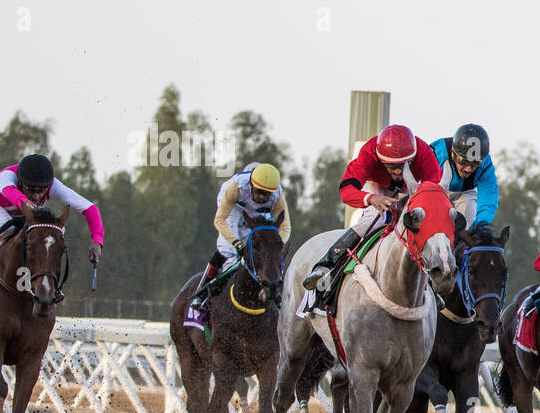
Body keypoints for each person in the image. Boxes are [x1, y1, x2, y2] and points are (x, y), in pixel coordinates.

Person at [301, 124, 442, 297]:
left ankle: (430, 285)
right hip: (376, 185)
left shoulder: (425, 153)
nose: (398, 171)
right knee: (378, 216)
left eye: (403, 165)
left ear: (413, 157)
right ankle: (326, 265)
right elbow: (346, 191)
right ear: (380, 159)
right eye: (392, 166)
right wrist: (371, 199)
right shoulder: (368, 153)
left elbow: (434, 192)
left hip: (411, 187)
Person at [0, 154, 104, 301]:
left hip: (21, 213)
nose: (36, 196)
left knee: (57, 232)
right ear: (21, 182)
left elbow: (90, 208)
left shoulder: (53, 185)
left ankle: (50, 283)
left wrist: (97, 241)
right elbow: (10, 192)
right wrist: (25, 201)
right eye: (30, 190)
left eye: (41, 191)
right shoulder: (6, 176)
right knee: (7, 227)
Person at [184, 162, 290, 327]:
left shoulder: (277, 196)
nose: (261, 197)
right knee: (227, 251)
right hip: (233, 208)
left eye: (266, 194)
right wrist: (237, 244)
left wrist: (272, 248)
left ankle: (278, 296)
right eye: (259, 192)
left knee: (266, 253)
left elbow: (285, 227)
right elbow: (219, 221)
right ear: (251, 185)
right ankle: (201, 295)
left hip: (257, 214)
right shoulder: (236, 187)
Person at [431, 123, 498, 228]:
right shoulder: (436, 153)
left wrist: (481, 224)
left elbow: (488, 199)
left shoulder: (485, 163)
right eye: (464, 161)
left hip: (465, 193)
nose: (469, 168)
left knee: (470, 229)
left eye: (476, 163)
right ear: (453, 153)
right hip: (435, 191)